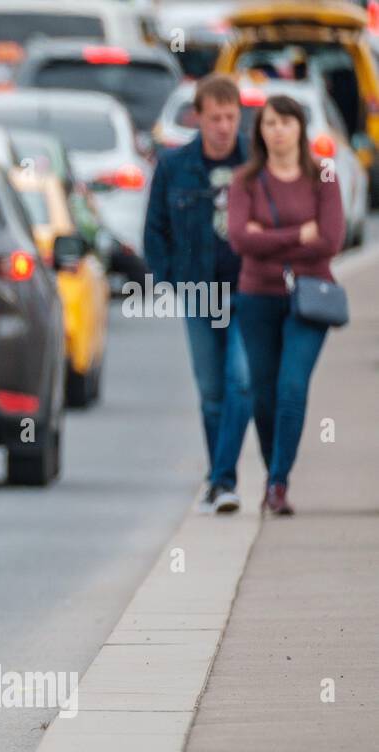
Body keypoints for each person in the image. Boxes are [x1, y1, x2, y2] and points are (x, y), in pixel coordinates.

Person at [227, 94, 344, 516]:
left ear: (301, 128)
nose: (278, 130)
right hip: (257, 295)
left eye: (286, 122)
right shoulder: (245, 180)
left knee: (292, 387)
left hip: (310, 299)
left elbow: (331, 240)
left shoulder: (324, 176)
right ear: (260, 131)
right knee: (263, 393)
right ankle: (271, 467)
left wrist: (270, 239)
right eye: (270, 123)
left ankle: (277, 483)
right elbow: (241, 240)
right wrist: (299, 236)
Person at [144, 74, 252, 514]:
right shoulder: (175, 166)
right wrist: (172, 281)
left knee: (242, 383)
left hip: (250, 292)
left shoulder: (256, 162)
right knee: (211, 392)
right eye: (215, 118)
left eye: (230, 117)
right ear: (199, 118)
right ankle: (218, 477)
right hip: (200, 294)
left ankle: (223, 481)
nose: (223, 127)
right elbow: (155, 231)